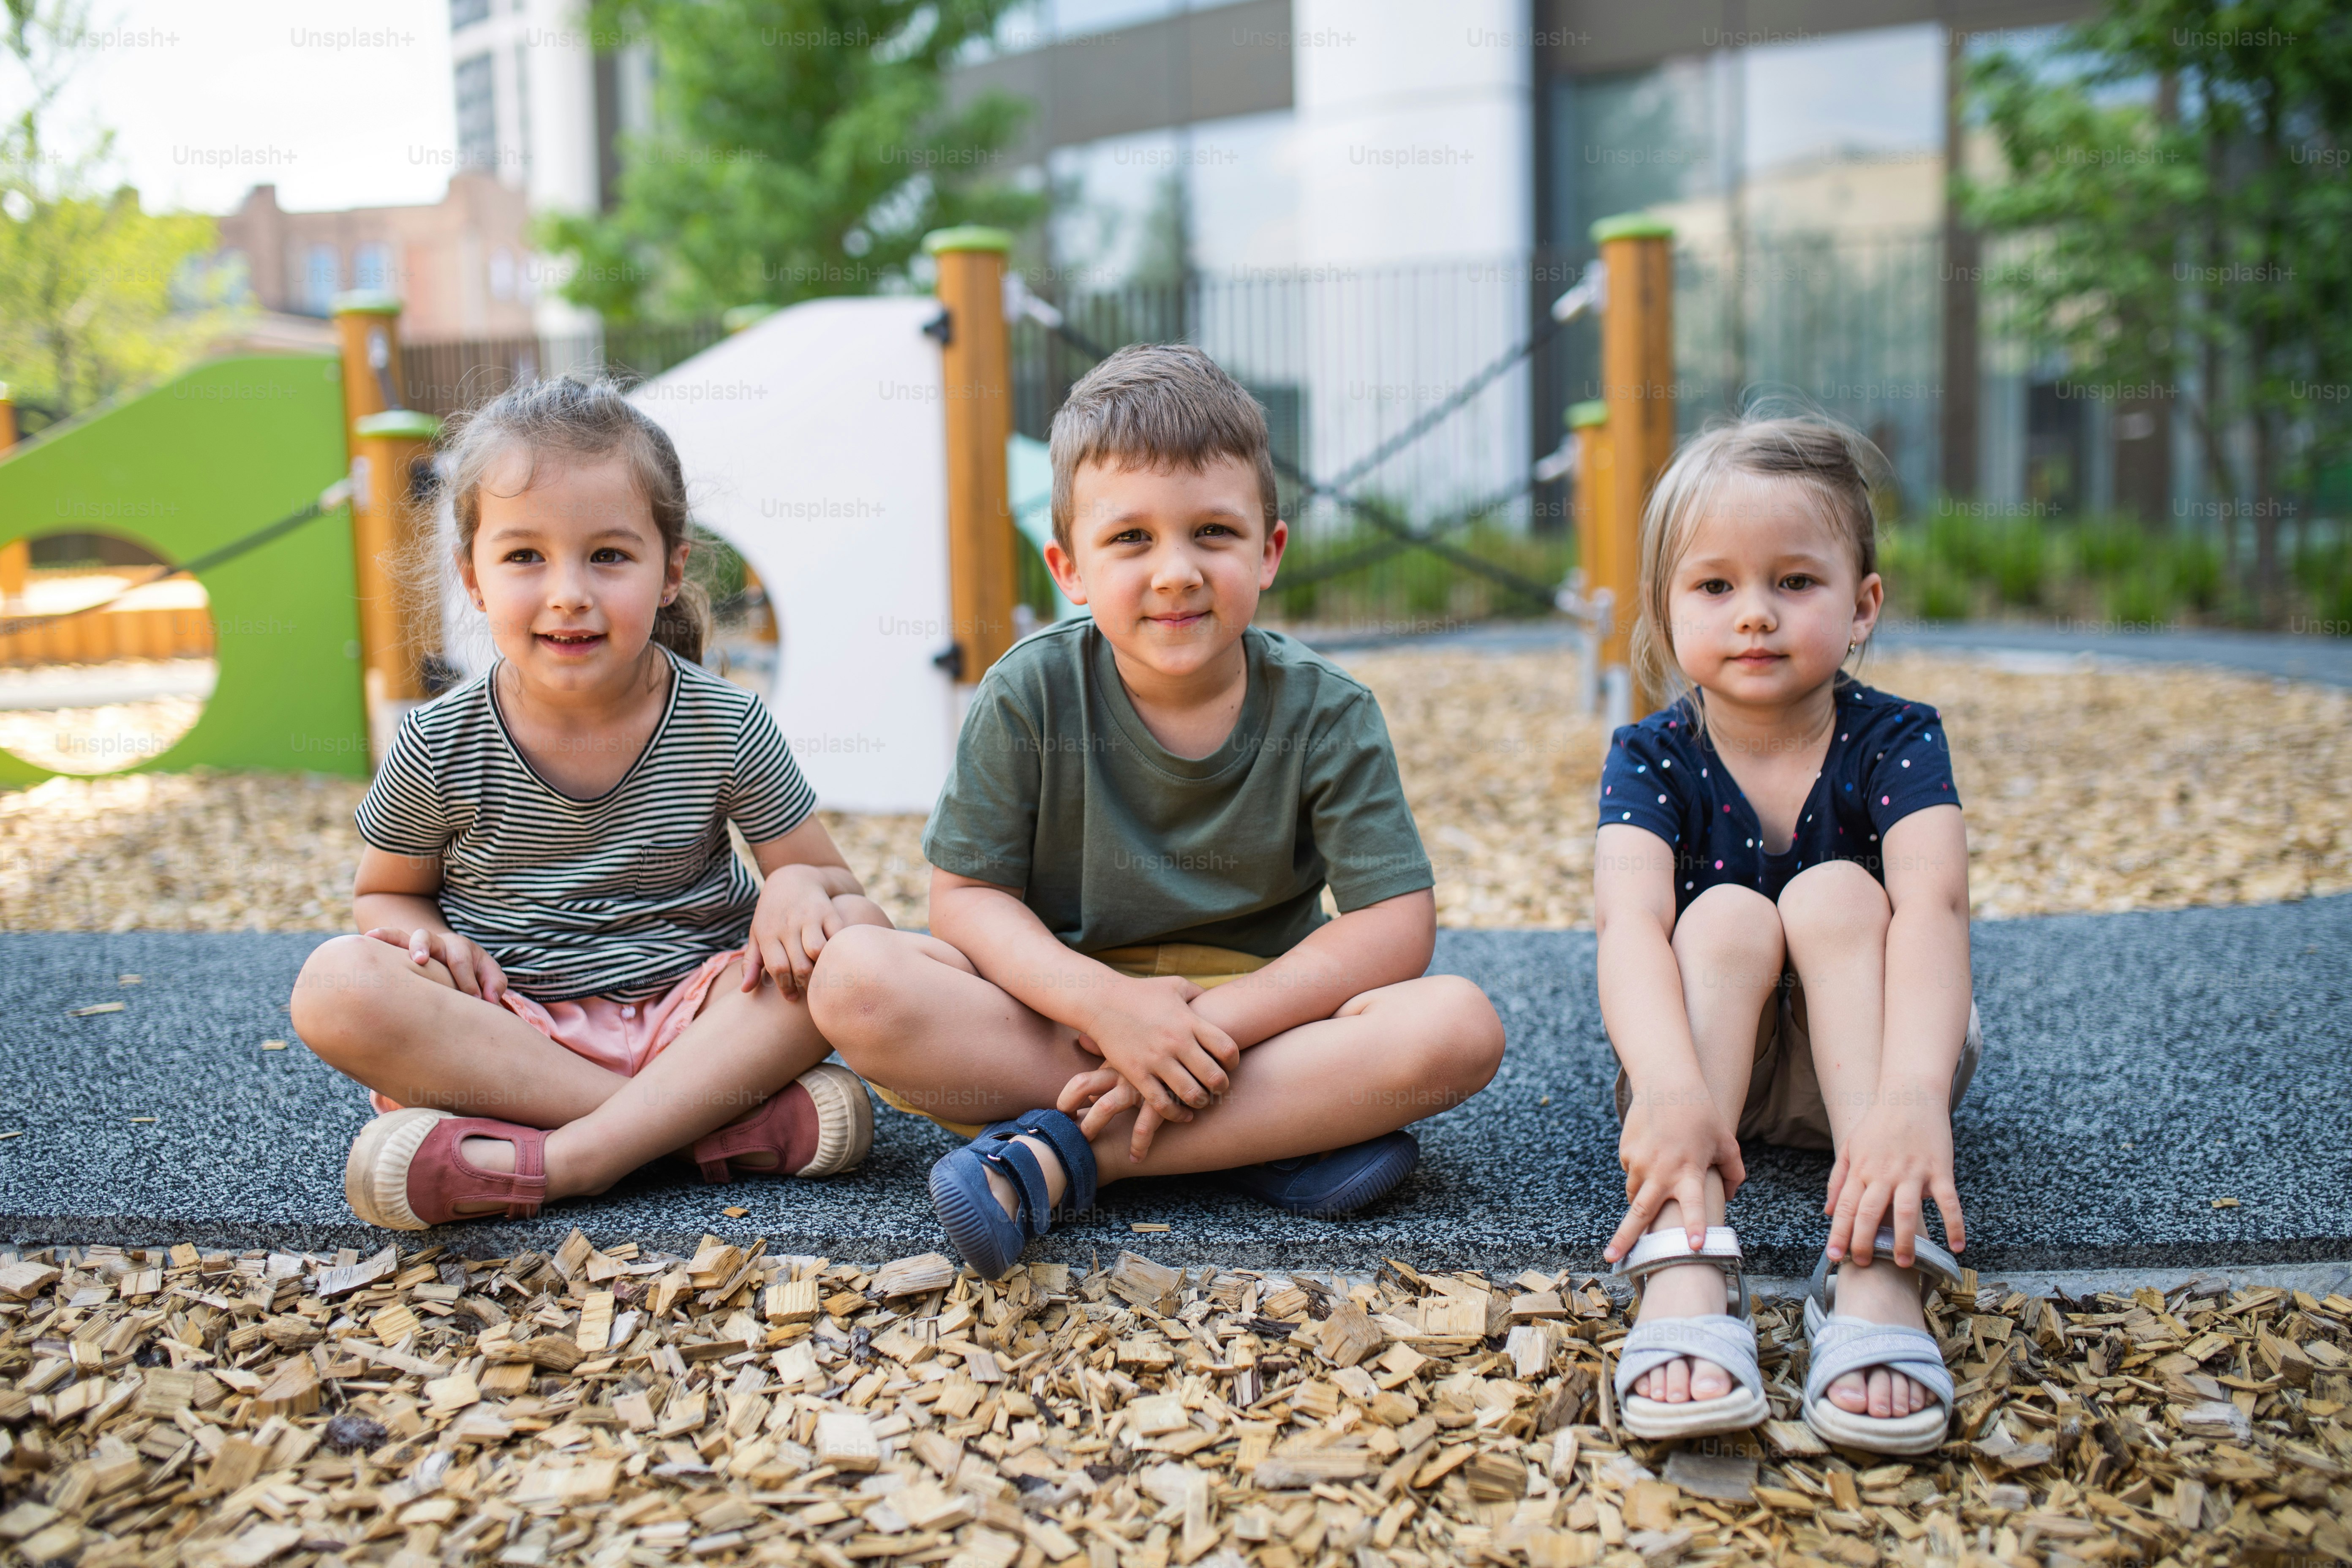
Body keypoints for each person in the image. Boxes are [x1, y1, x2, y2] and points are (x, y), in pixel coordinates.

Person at [808, 344, 1504, 1277]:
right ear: (1070, 567)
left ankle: (1060, 1156)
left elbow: (1393, 924)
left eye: (1212, 532)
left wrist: (1209, 1030)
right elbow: (967, 898)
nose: (1175, 570)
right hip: (1064, 1019)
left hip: (1256, 1026)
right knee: (856, 979)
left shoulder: (1328, 711)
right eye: (1131, 539)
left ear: (1270, 552)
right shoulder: (1030, 693)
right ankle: (1266, 1139)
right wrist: (1111, 1006)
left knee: (1457, 1028)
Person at [291, 377, 885, 1230]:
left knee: (855, 939)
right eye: (526, 556)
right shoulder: (441, 741)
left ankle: (568, 1158)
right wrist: (429, 938)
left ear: (671, 569)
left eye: (608, 555)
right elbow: (385, 893)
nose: (569, 590)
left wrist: (798, 889)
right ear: (474, 578)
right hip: (513, 1037)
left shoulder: (723, 721)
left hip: (701, 1017)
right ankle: (693, 1130)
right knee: (337, 983)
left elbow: (830, 880)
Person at [1592, 414, 1979, 1454]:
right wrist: (1668, 1086)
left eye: (1794, 583)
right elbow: (1628, 926)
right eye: (1715, 586)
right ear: (1666, 614)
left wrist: (1911, 1094)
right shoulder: (1651, 754)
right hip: (1709, 1072)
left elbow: (1937, 907)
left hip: (1876, 1062)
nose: (1754, 615)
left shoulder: (1898, 738)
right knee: (1718, 913)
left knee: (1839, 896)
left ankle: (1878, 1268)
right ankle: (1683, 1257)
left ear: (1862, 607)